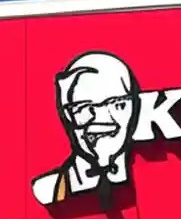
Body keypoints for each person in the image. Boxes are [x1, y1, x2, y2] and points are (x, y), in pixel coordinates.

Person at [32, 52, 140, 209]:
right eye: (85, 108)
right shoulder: (49, 189)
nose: (103, 119)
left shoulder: (151, 181)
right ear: (67, 114)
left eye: (117, 104)